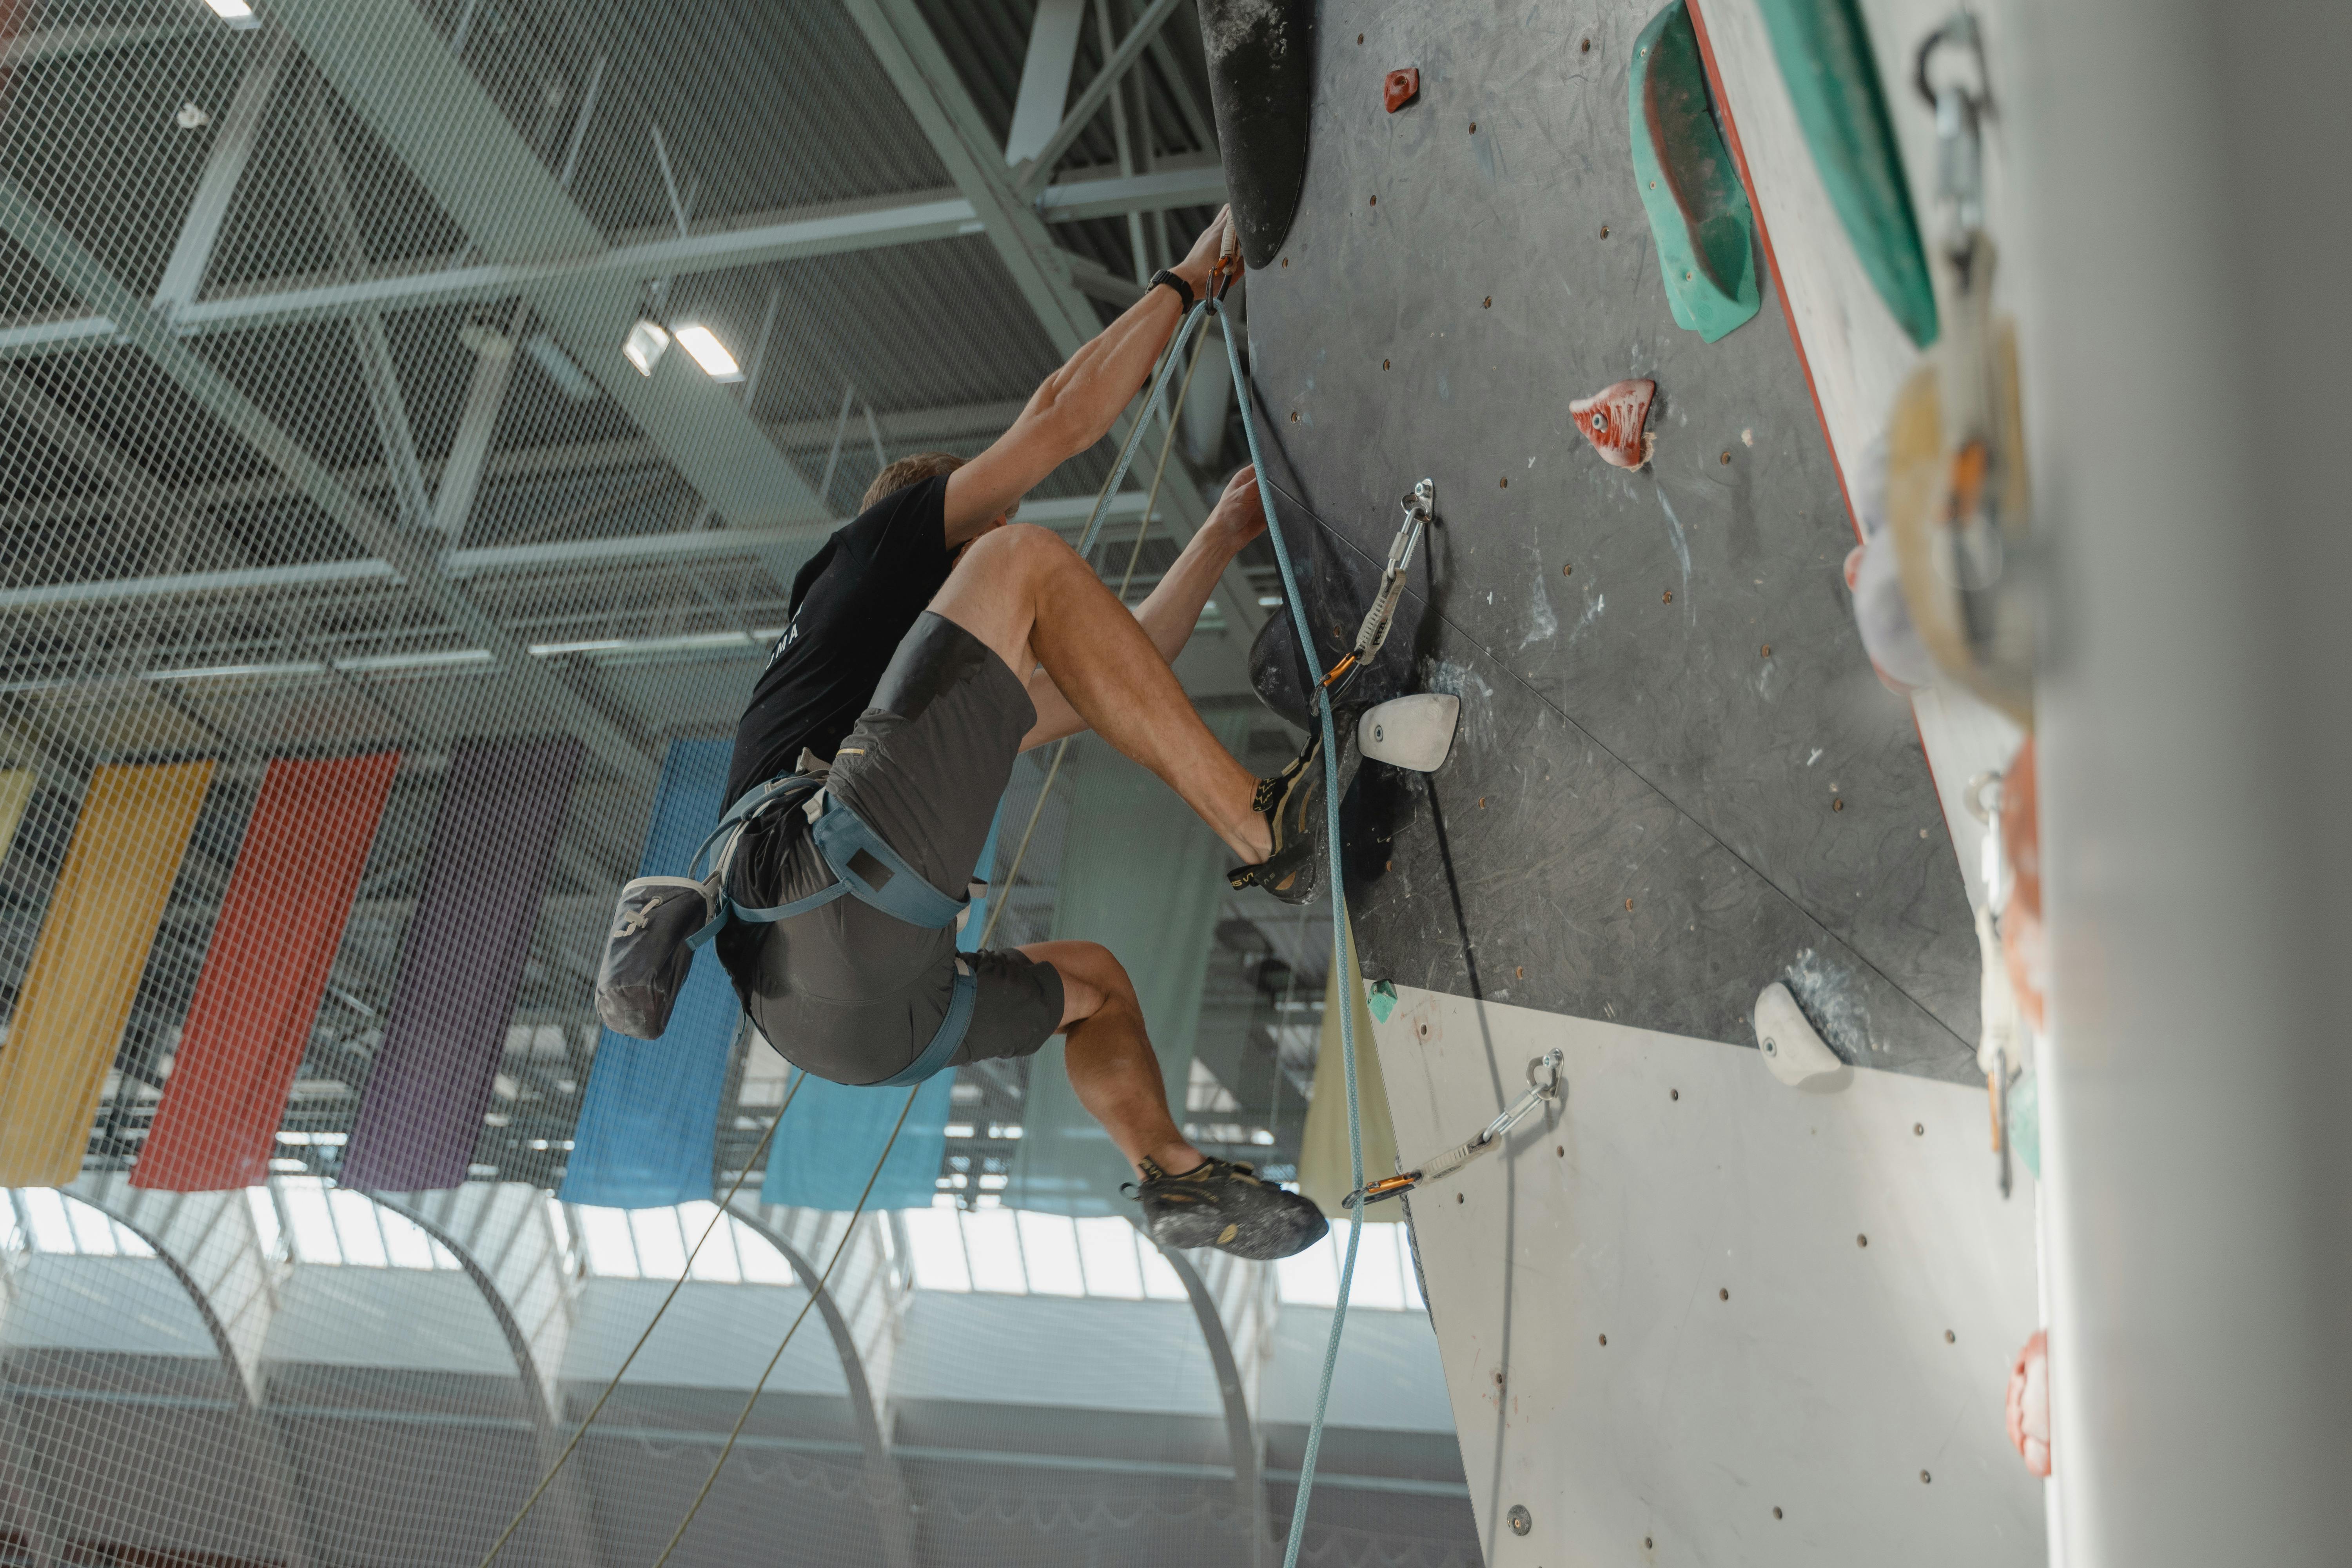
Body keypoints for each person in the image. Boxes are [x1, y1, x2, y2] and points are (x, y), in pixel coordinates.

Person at [714, 208, 1334, 1261]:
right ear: (939, 529)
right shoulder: (875, 549)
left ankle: (1172, 1176)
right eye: (972, 541)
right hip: (811, 883)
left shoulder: (895, 724)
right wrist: (1187, 276)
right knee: (1032, 563)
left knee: (1095, 988)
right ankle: (1260, 830)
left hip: (839, 1029)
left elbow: (1117, 670)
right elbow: (1058, 420)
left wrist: (1222, 537)